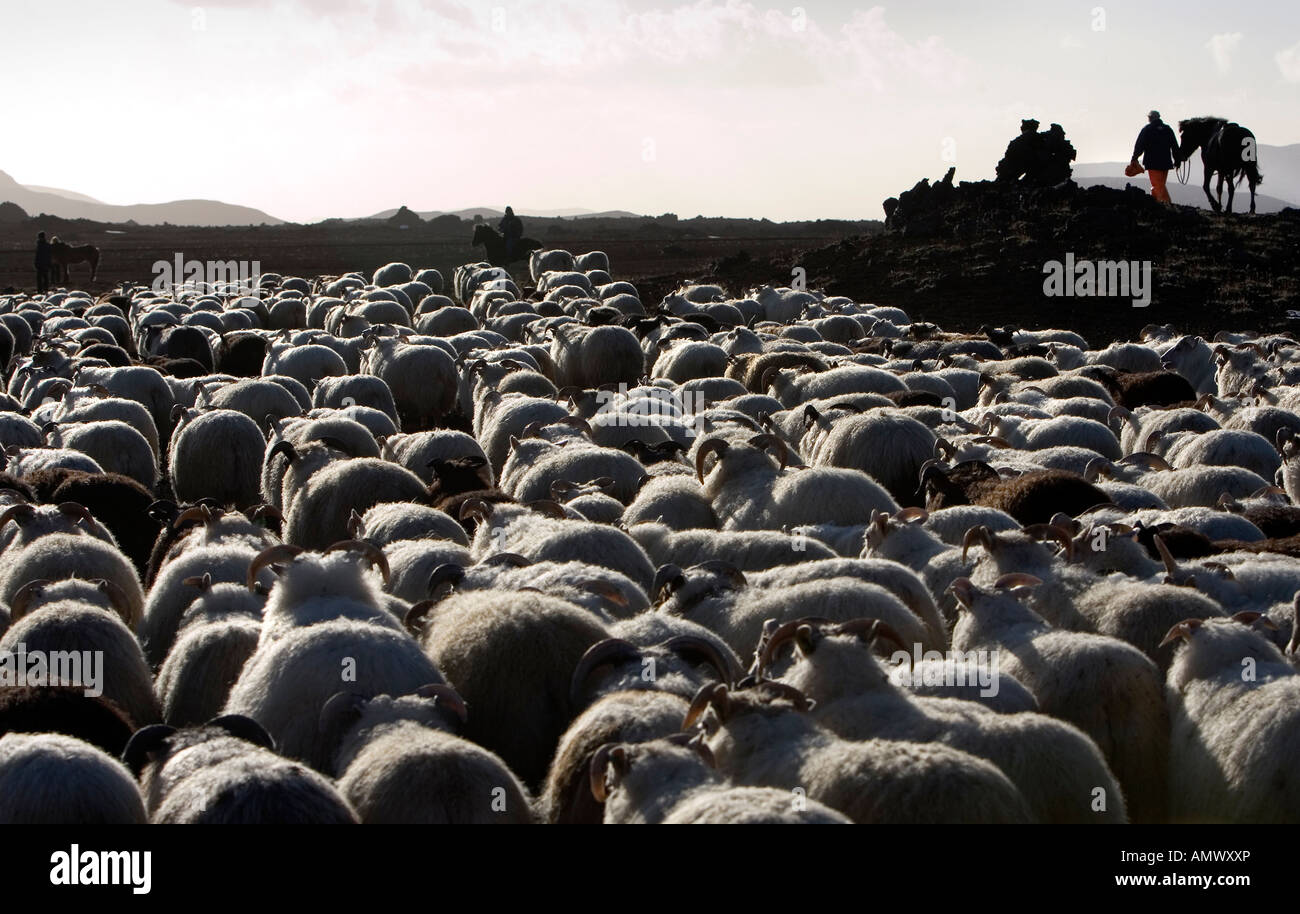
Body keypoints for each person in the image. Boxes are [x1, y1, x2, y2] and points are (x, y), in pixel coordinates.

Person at [1131, 110, 1181, 203]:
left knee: (1158, 185)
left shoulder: (1147, 129)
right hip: (1165, 163)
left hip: (1152, 163)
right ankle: (1156, 203)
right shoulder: (1167, 129)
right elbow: (1174, 146)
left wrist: (1134, 158)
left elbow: (1139, 145)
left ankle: (1166, 204)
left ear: (1150, 118)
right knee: (1160, 185)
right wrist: (1177, 160)